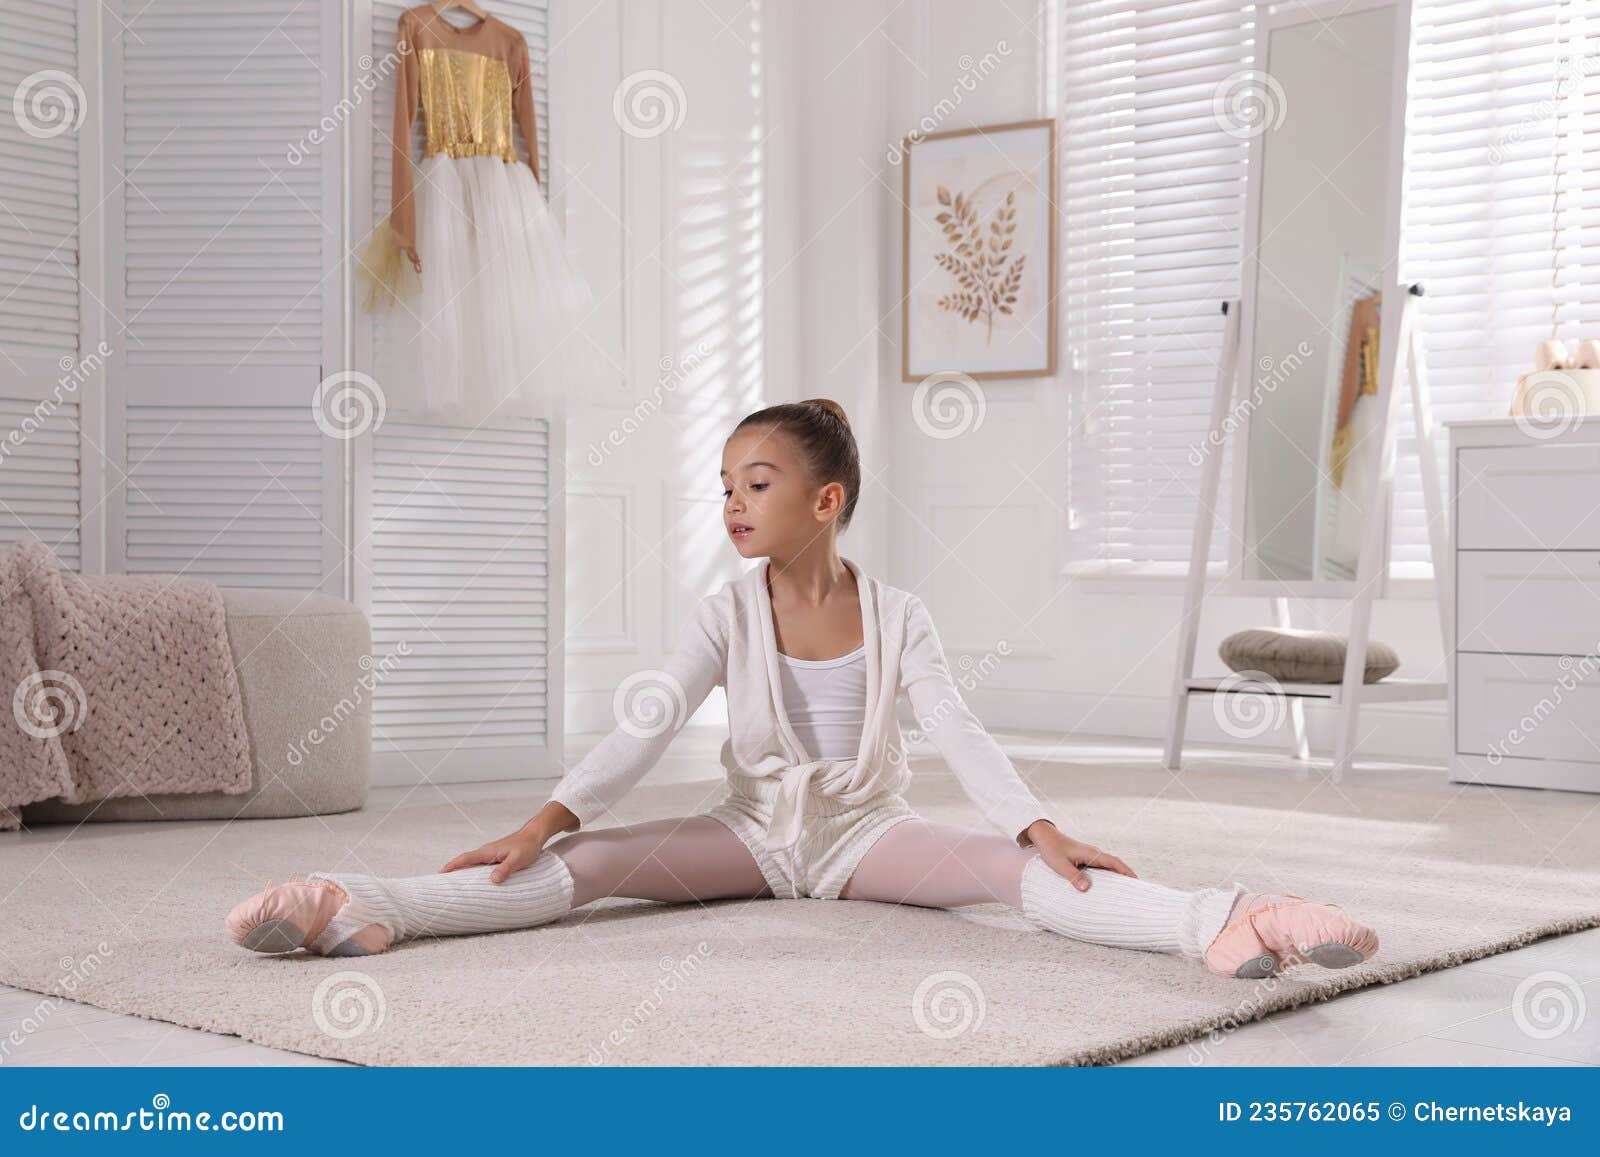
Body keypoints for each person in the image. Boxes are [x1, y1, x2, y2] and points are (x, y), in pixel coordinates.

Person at [225, 399, 1377, 980]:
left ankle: (1227, 919)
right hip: (750, 834)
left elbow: (959, 729)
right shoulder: (723, 610)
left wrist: (1037, 824)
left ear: (825, 501)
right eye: (724, 484)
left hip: (867, 837)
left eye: (758, 481)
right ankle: (358, 903)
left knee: (1032, 879)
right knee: (573, 874)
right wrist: (545, 815)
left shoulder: (902, 615)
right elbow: (650, 718)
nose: (733, 503)